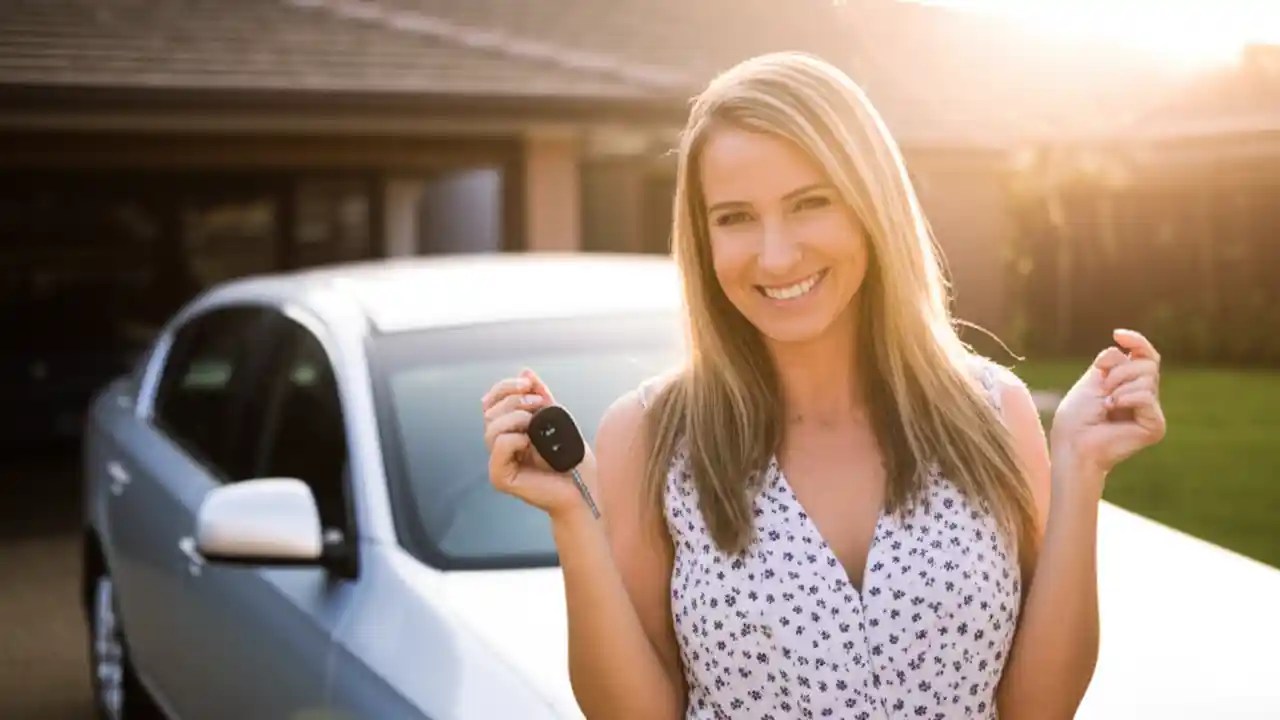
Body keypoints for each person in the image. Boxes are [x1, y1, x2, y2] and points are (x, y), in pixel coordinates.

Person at [480, 52, 1166, 720]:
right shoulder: (650, 436)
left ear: (871, 206)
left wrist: (1080, 467)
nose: (776, 255)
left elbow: (1040, 710)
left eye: (809, 204)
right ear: (702, 235)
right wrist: (573, 516)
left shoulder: (992, 413)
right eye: (736, 217)